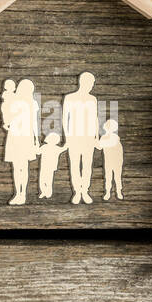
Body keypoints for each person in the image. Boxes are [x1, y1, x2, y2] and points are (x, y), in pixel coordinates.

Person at [62, 72, 99, 204]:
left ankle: (85, 191)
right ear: (83, 82)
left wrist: (97, 138)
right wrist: (67, 137)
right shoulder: (69, 98)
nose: (92, 86)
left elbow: (95, 119)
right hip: (74, 137)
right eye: (91, 83)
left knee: (87, 165)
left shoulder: (92, 99)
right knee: (75, 165)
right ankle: (77, 191)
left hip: (89, 138)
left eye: (93, 84)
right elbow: (64, 119)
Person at [2, 78, 40, 205]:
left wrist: (36, 139)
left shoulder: (32, 103)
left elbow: (34, 122)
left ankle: (22, 194)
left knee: (22, 167)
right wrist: (7, 123)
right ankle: (18, 193)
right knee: (17, 167)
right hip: (15, 136)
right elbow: (7, 117)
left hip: (25, 137)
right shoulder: (13, 101)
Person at [97, 119, 123, 200]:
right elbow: (99, 147)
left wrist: (99, 142)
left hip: (117, 160)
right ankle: (108, 192)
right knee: (108, 176)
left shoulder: (115, 137)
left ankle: (118, 191)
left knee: (117, 176)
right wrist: (96, 140)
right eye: (108, 126)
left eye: (111, 127)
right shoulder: (103, 137)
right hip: (108, 160)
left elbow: (106, 144)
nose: (109, 128)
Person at [37, 132, 65, 198]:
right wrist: (36, 146)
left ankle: (48, 192)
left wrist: (67, 145)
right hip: (44, 166)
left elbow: (63, 149)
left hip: (51, 167)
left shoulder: (56, 148)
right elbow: (38, 152)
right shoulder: (44, 147)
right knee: (42, 180)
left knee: (48, 180)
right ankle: (43, 192)